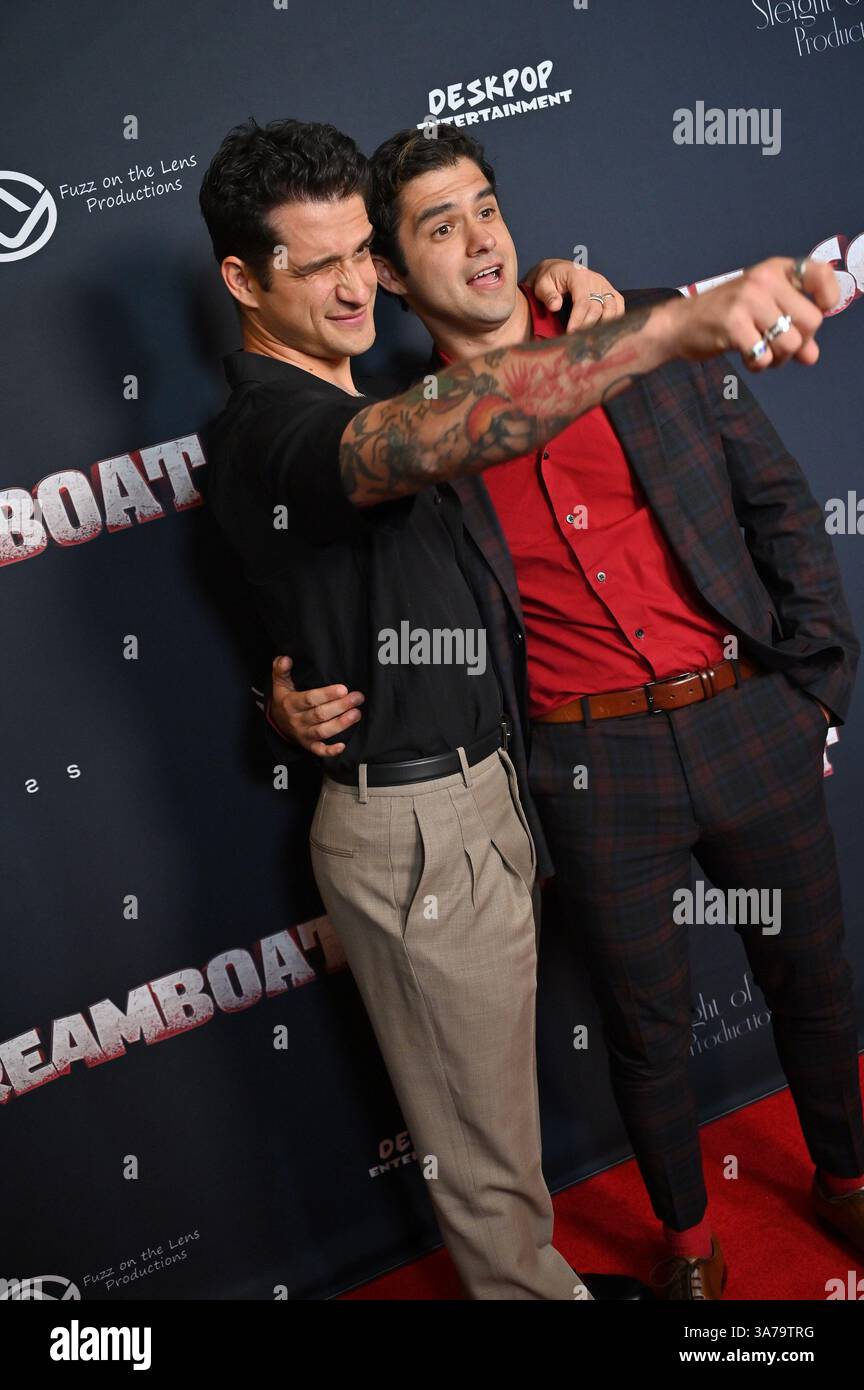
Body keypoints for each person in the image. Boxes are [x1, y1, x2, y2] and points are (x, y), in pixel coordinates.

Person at [266, 123, 861, 1300]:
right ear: (388, 271)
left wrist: (815, 689)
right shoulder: (415, 435)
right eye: (441, 226)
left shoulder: (637, 328)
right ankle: (687, 1245)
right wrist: (278, 692)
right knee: (646, 1025)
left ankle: (845, 1182)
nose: (481, 239)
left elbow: (782, 508)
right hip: (591, 766)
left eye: (486, 207)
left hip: (747, 716)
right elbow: (335, 585)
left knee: (818, 978)